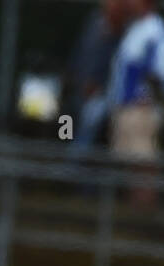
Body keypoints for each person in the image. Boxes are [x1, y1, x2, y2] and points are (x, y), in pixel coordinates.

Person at [107, 0, 164, 206]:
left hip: (141, 109)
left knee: (144, 158)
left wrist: (145, 100)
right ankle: (134, 204)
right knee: (130, 159)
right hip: (127, 105)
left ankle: (145, 206)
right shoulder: (137, 29)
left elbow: (160, 72)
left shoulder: (156, 33)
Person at [65, 0, 126, 157]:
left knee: (88, 136)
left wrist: (99, 83)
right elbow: (81, 52)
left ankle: (75, 168)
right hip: (78, 89)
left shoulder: (121, 32)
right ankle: (67, 166)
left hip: (101, 96)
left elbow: (115, 66)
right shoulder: (94, 23)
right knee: (67, 127)